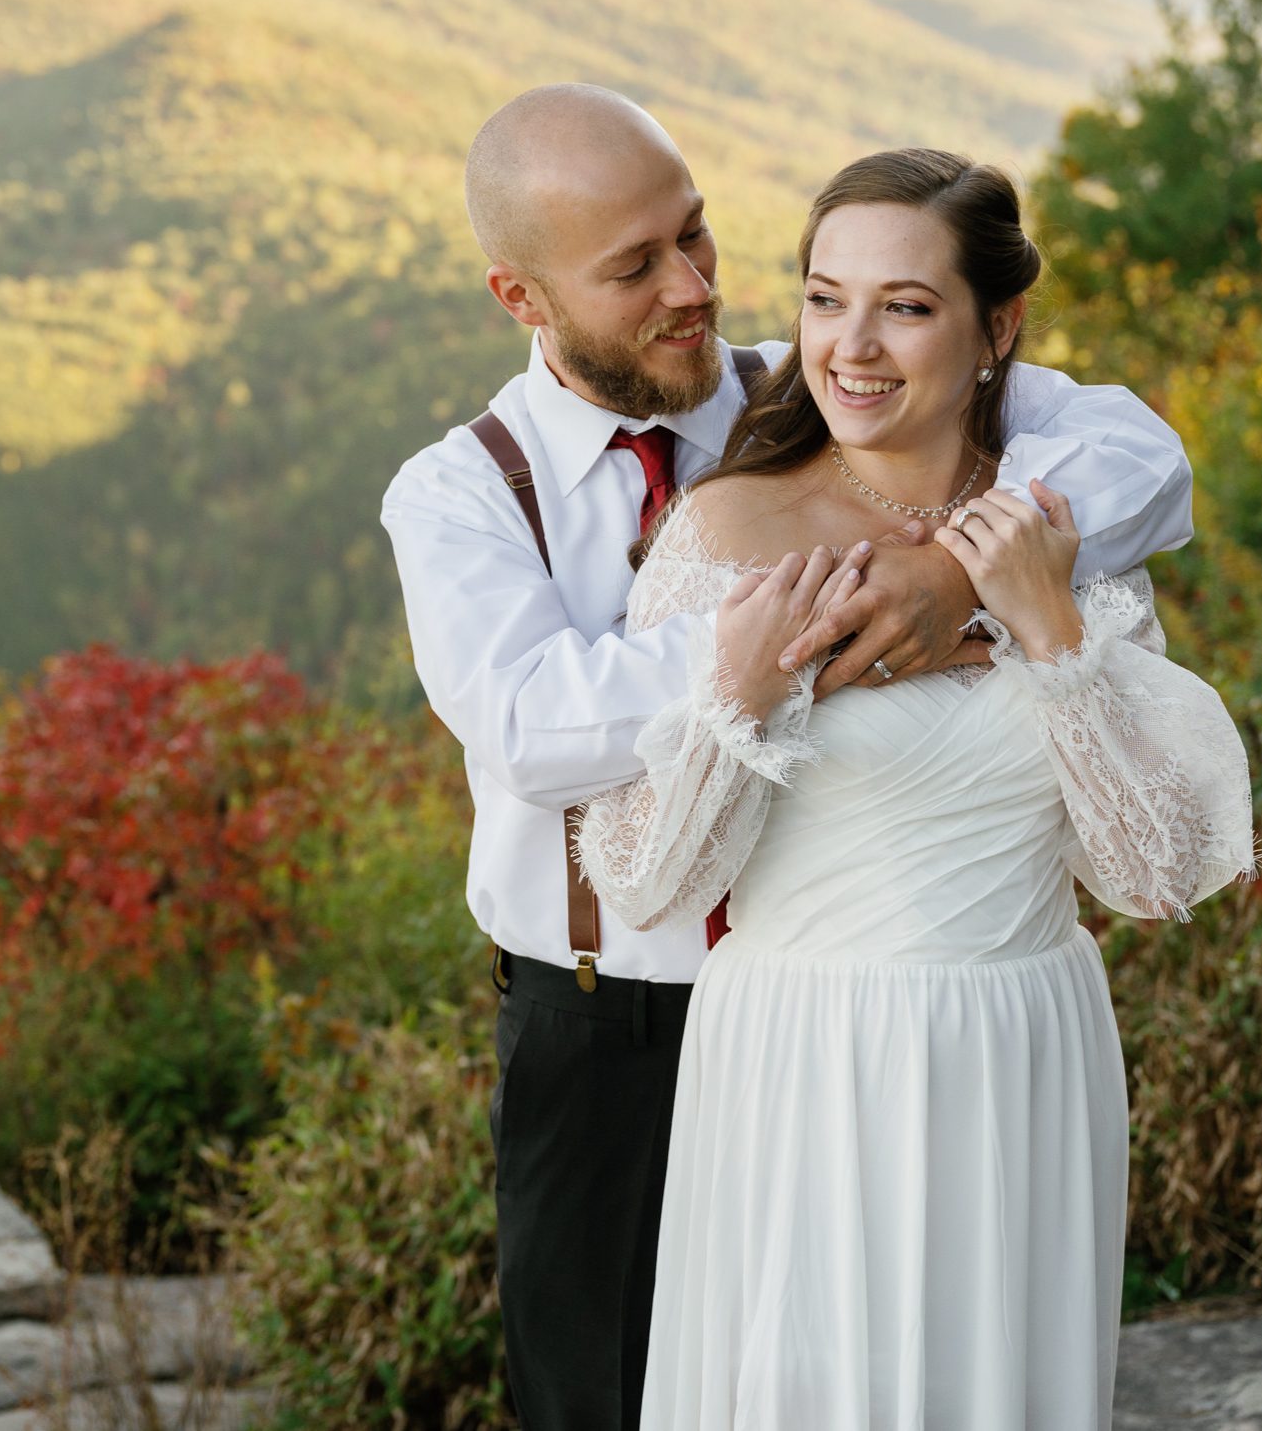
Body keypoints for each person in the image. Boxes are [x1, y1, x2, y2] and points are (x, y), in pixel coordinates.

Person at [380, 85, 1196, 1431]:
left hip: (921, 1012)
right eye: (635, 268)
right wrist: (790, 638)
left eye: (696, 237)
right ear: (519, 296)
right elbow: (532, 727)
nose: (694, 288)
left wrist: (954, 572)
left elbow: (1139, 458)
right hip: (615, 1020)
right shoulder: (464, 490)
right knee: (608, 1396)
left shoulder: (831, 372)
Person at [574, 147, 1256, 1430]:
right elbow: (646, 878)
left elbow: (1155, 876)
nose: (850, 345)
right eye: (824, 298)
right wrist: (735, 693)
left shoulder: (1062, 537)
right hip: (800, 1054)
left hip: (1019, 1049)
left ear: (996, 328)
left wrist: (1048, 634)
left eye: (905, 304)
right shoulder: (726, 531)